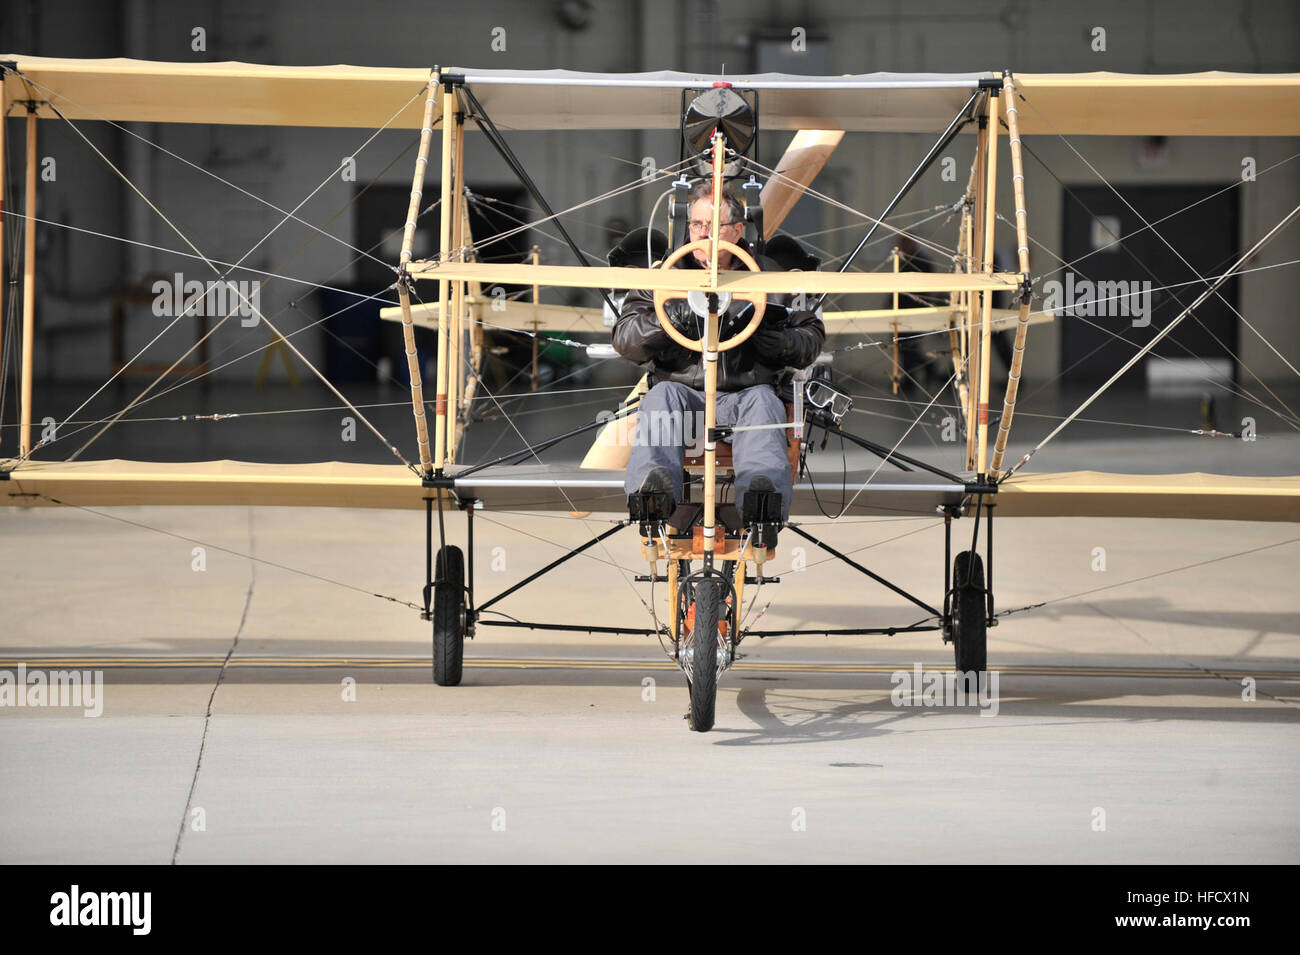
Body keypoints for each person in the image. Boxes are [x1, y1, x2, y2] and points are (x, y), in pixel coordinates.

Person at [613, 182, 825, 524]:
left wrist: (776, 341)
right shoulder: (664, 274)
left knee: (764, 402)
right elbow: (625, 338)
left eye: (713, 227)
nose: (702, 234)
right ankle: (650, 498)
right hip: (682, 392)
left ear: (738, 231)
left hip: (747, 394)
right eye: (696, 225)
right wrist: (670, 320)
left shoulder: (772, 276)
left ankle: (762, 503)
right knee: (660, 397)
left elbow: (811, 337)